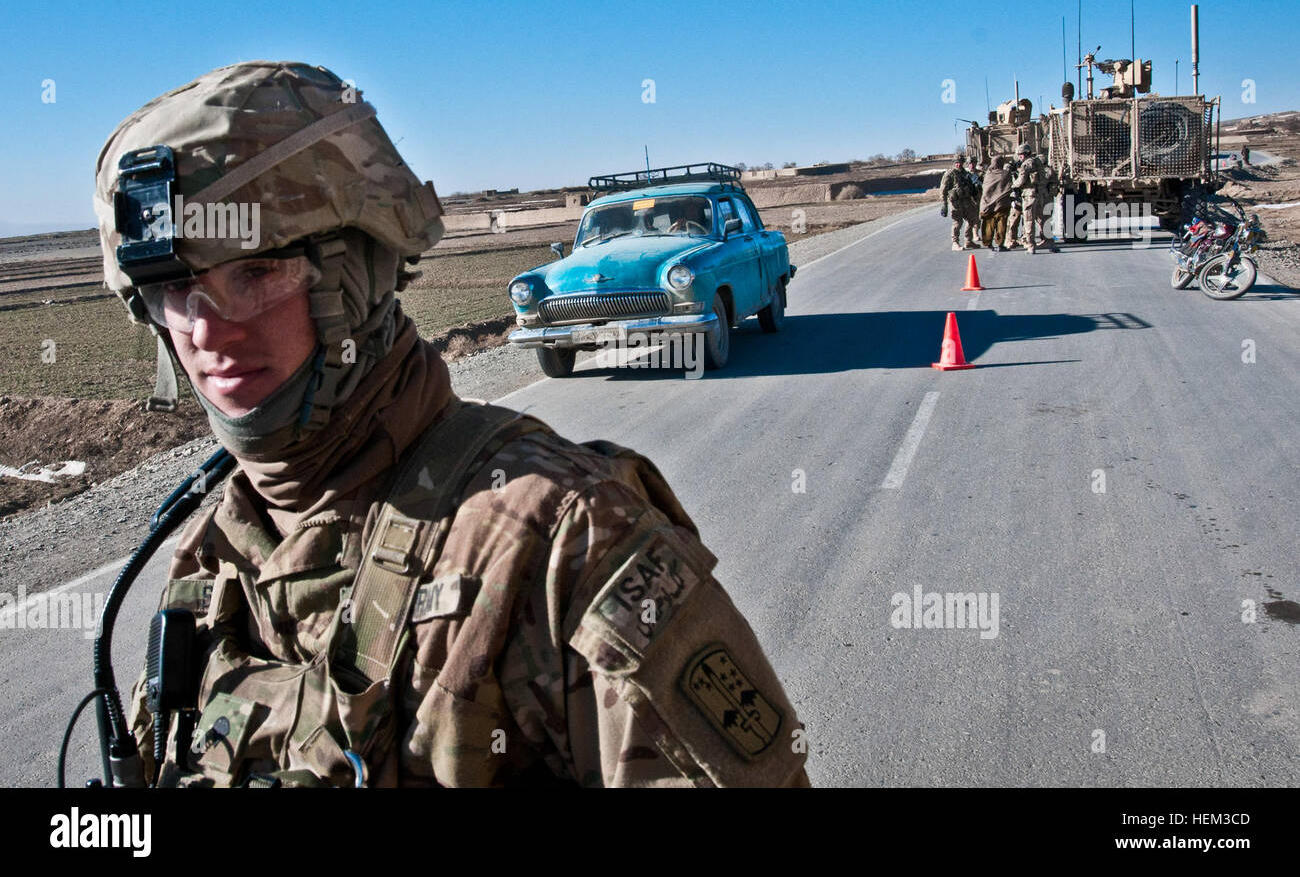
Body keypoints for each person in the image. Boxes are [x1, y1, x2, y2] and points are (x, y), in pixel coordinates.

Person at [95, 61, 810, 788]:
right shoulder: (209, 553)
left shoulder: (566, 540)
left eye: (253, 274)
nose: (204, 331)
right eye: (174, 289)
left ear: (361, 275)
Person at [938, 156, 979, 250]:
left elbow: (972, 187)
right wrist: (944, 204)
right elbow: (943, 189)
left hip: (967, 200)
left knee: (972, 220)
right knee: (958, 222)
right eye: (956, 162)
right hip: (956, 202)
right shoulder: (950, 174)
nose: (958, 164)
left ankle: (968, 240)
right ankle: (955, 243)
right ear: (954, 163)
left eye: (960, 162)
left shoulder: (966, 174)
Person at [978, 156, 1013, 250]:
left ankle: (988, 243)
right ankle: (1000, 244)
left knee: (988, 225)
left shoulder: (988, 174)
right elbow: (1010, 184)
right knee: (1001, 225)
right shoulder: (1005, 174)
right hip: (1001, 203)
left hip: (987, 204)